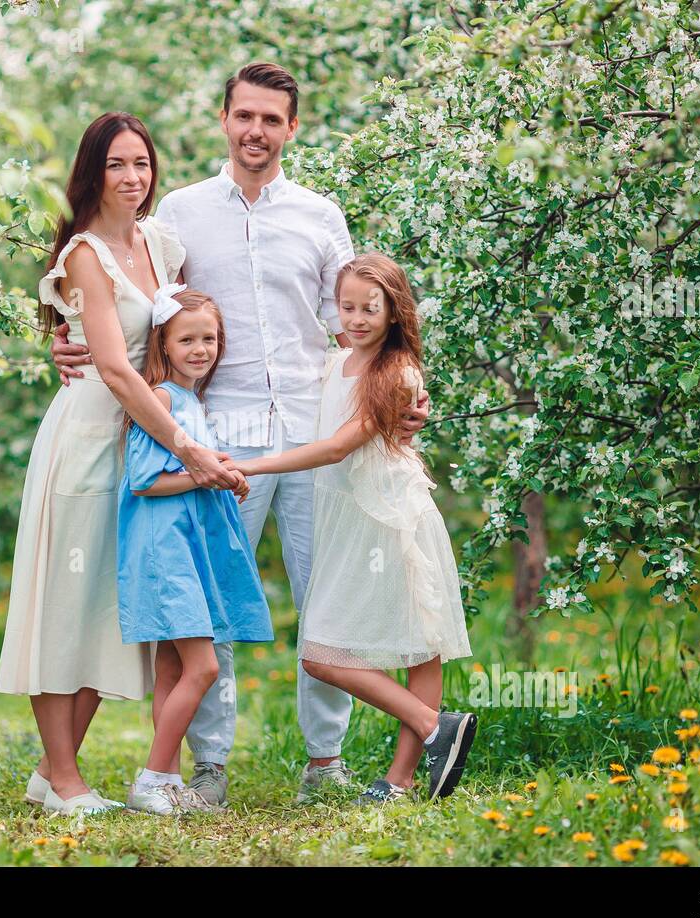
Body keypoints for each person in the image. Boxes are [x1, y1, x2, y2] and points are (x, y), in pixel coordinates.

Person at [50, 63, 431, 806]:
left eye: (271, 119)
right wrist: (63, 342)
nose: (255, 131)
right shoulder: (179, 218)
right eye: (244, 116)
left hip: (316, 428)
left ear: (292, 128)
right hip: (213, 437)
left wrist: (403, 395)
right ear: (223, 118)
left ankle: (325, 764)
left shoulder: (321, 216)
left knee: (328, 599)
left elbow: (362, 320)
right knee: (211, 602)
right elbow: (122, 300)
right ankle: (209, 769)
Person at [0, 112, 239, 818]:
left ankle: (50, 769)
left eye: (142, 164)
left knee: (114, 605)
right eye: (117, 166)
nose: (133, 178)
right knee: (66, 605)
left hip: (146, 440)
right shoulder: (83, 256)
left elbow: (184, 327)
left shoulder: (160, 243)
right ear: (92, 174)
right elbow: (114, 367)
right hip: (92, 438)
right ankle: (66, 783)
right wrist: (187, 447)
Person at [227, 253, 476, 803]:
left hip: (386, 514)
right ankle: (438, 728)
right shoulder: (334, 361)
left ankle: (403, 776)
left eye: (371, 308)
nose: (357, 318)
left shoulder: (398, 372)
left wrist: (252, 463)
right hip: (343, 517)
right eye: (347, 307)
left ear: (394, 311)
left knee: (416, 644)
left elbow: (339, 446)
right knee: (323, 650)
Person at [117, 286, 273, 815]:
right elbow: (144, 481)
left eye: (209, 338)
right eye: (187, 339)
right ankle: (153, 778)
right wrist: (205, 476)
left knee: (170, 670)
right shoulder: (159, 398)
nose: (200, 349)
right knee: (203, 667)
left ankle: (168, 780)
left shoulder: (191, 403)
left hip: (186, 547)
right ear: (164, 342)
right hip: (166, 551)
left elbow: (188, 468)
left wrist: (219, 468)